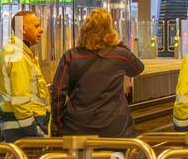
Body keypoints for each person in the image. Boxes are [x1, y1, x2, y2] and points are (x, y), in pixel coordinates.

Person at [51, 9, 144, 138]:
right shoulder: (120, 55)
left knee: (78, 158)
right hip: (114, 129)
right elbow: (138, 68)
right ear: (111, 30)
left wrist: (58, 123)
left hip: (77, 128)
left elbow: (58, 92)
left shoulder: (71, 56)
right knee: (118, 157)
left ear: (84, 29)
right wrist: (120, 44)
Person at [0, 10, 50, 142]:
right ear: (22, 29)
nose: (41, 30)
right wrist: (32, 130)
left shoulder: (19, 52)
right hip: (24, 127)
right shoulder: (18, 56)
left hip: (19, 124)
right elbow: (20, 98)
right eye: (36, 26)